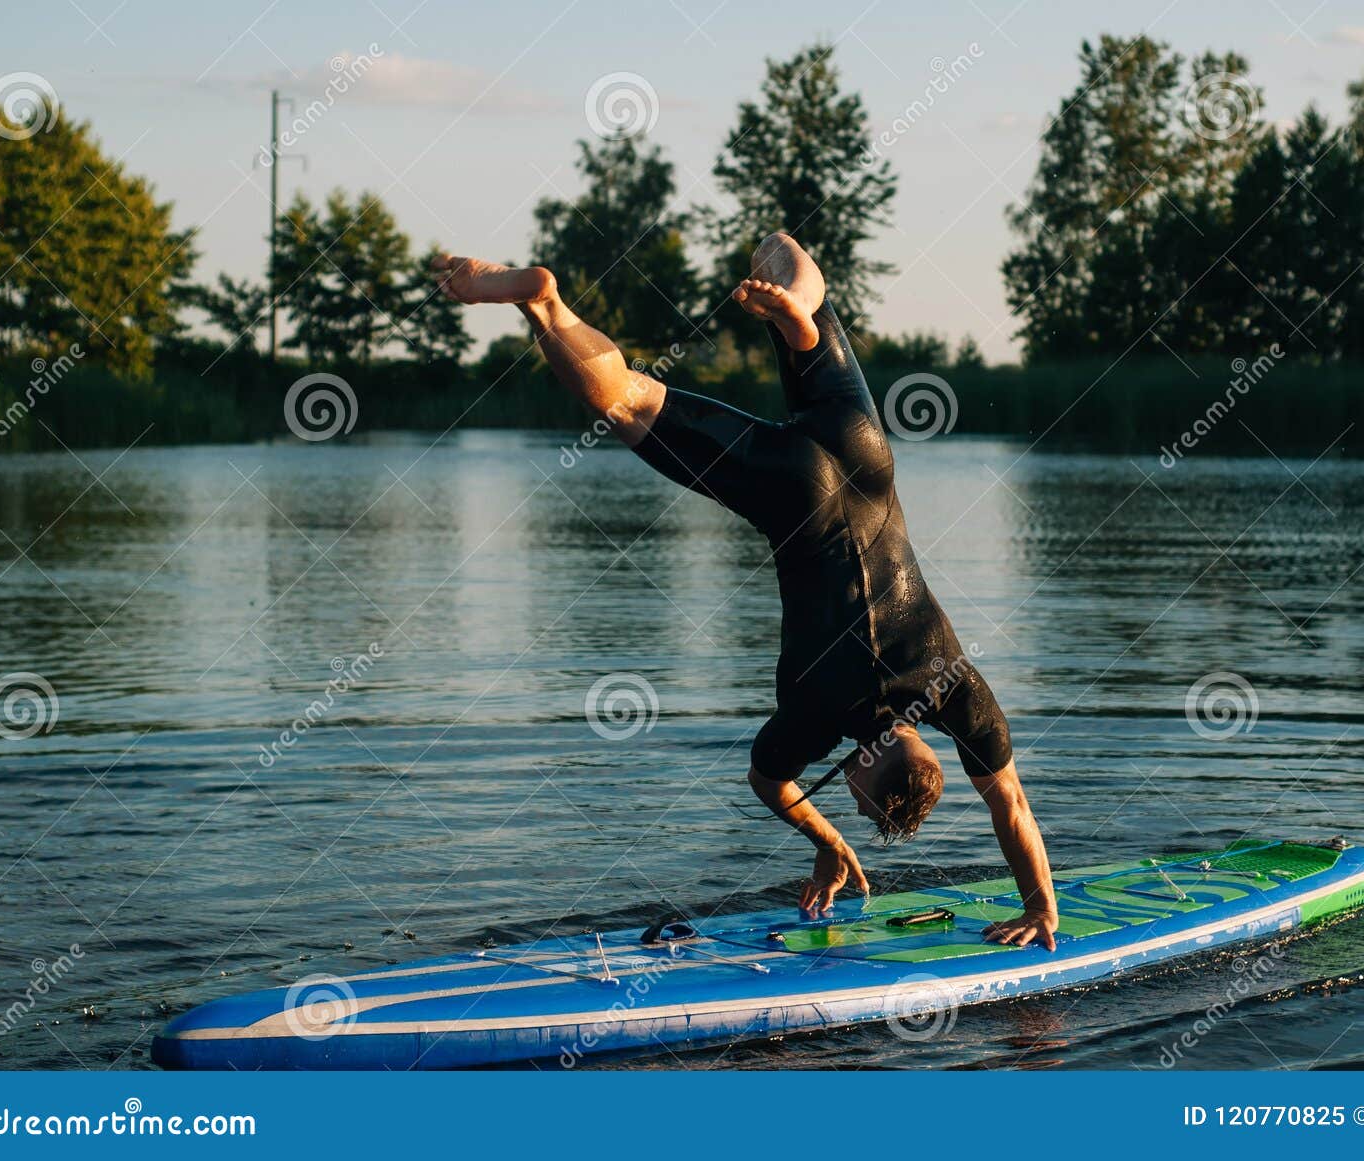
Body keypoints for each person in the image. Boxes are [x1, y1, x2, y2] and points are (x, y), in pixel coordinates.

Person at [433, 233, 1059, 948]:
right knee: (629, 402)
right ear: (861, 768)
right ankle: (546, 305)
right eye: (857, 804)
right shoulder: (822, 715)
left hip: (866, 460)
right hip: (795, 496)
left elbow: (1009, 802)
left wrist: (1042, 900)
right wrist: (825, 841)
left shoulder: (953, 683)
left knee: (782, 255)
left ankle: (796, 315)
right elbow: (770, 783)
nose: (848, 802)